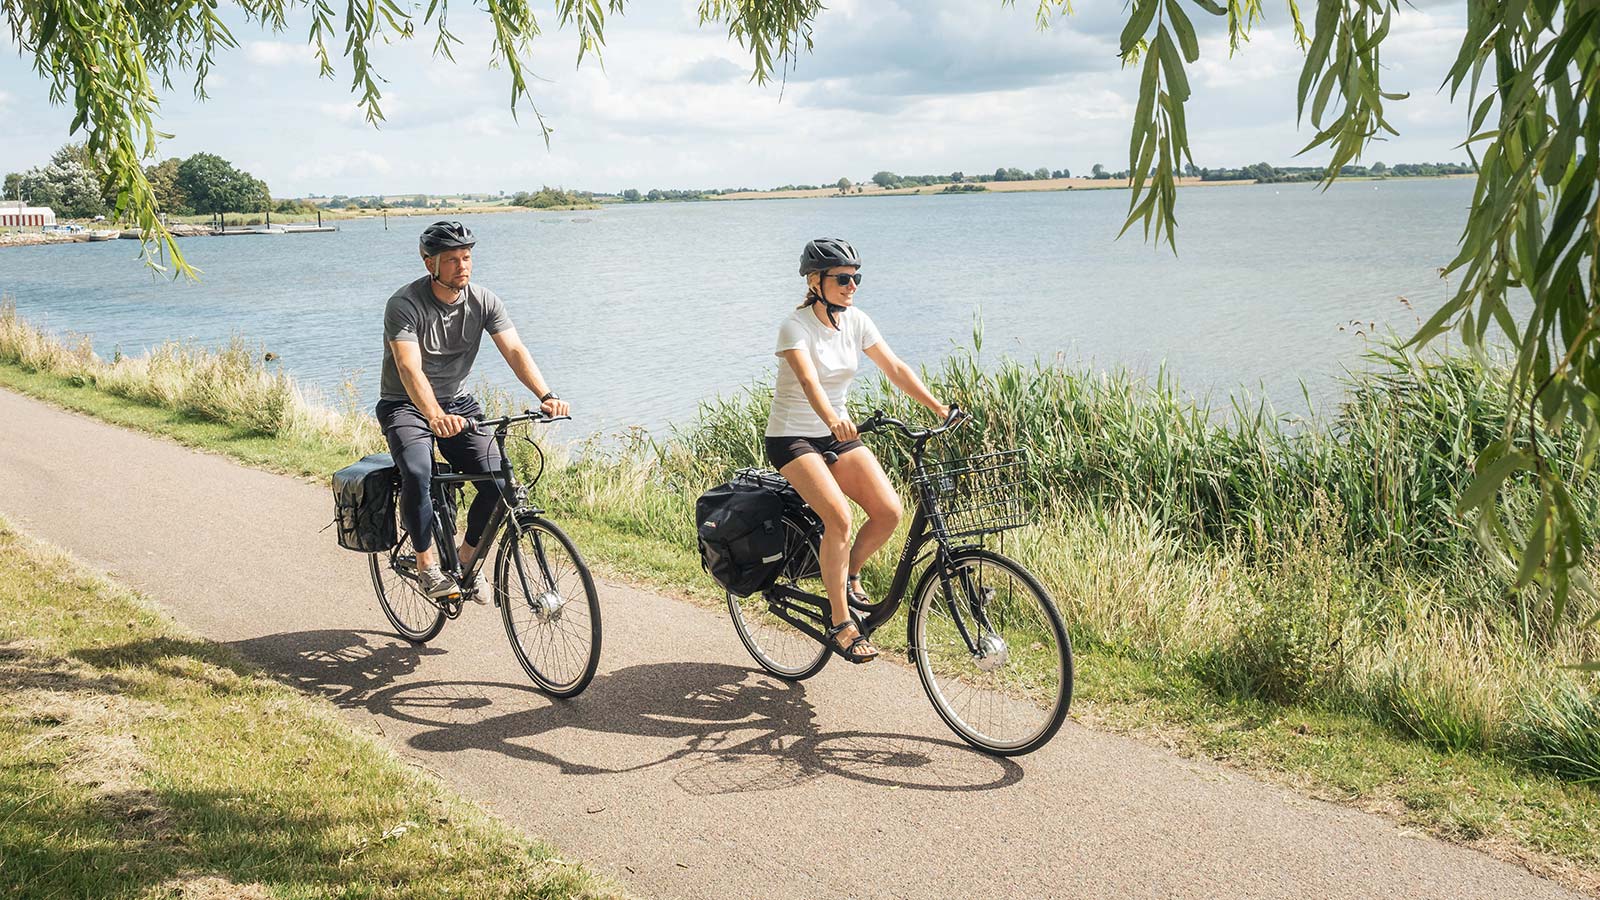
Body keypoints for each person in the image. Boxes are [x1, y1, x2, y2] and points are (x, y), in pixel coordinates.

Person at [766, 237, 951, 663]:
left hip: (837, 433)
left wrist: (937, 406)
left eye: (856, 278)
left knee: (888, 511)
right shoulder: (794, 327)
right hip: (793, 436)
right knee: (840, 518)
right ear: (815, 281)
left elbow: (895, 367)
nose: (852, 286)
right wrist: (831, 417)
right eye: (843, 279)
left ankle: (846, 573)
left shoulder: (857, 321)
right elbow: (810, 382)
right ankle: (839, 621)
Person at [377, 220, 570, 598]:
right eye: (451, 260)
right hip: (405, 405)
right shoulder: (404, 304)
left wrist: (546, 395)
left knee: (500, 480)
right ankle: (427, 564)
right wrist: (433, 415)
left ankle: (465, 561)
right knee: (417, 471)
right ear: (428, 263)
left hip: (457, 405)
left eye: (466, 257)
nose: (462, 266)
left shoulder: (484, 301)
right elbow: (408, 367)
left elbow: (515, 350)